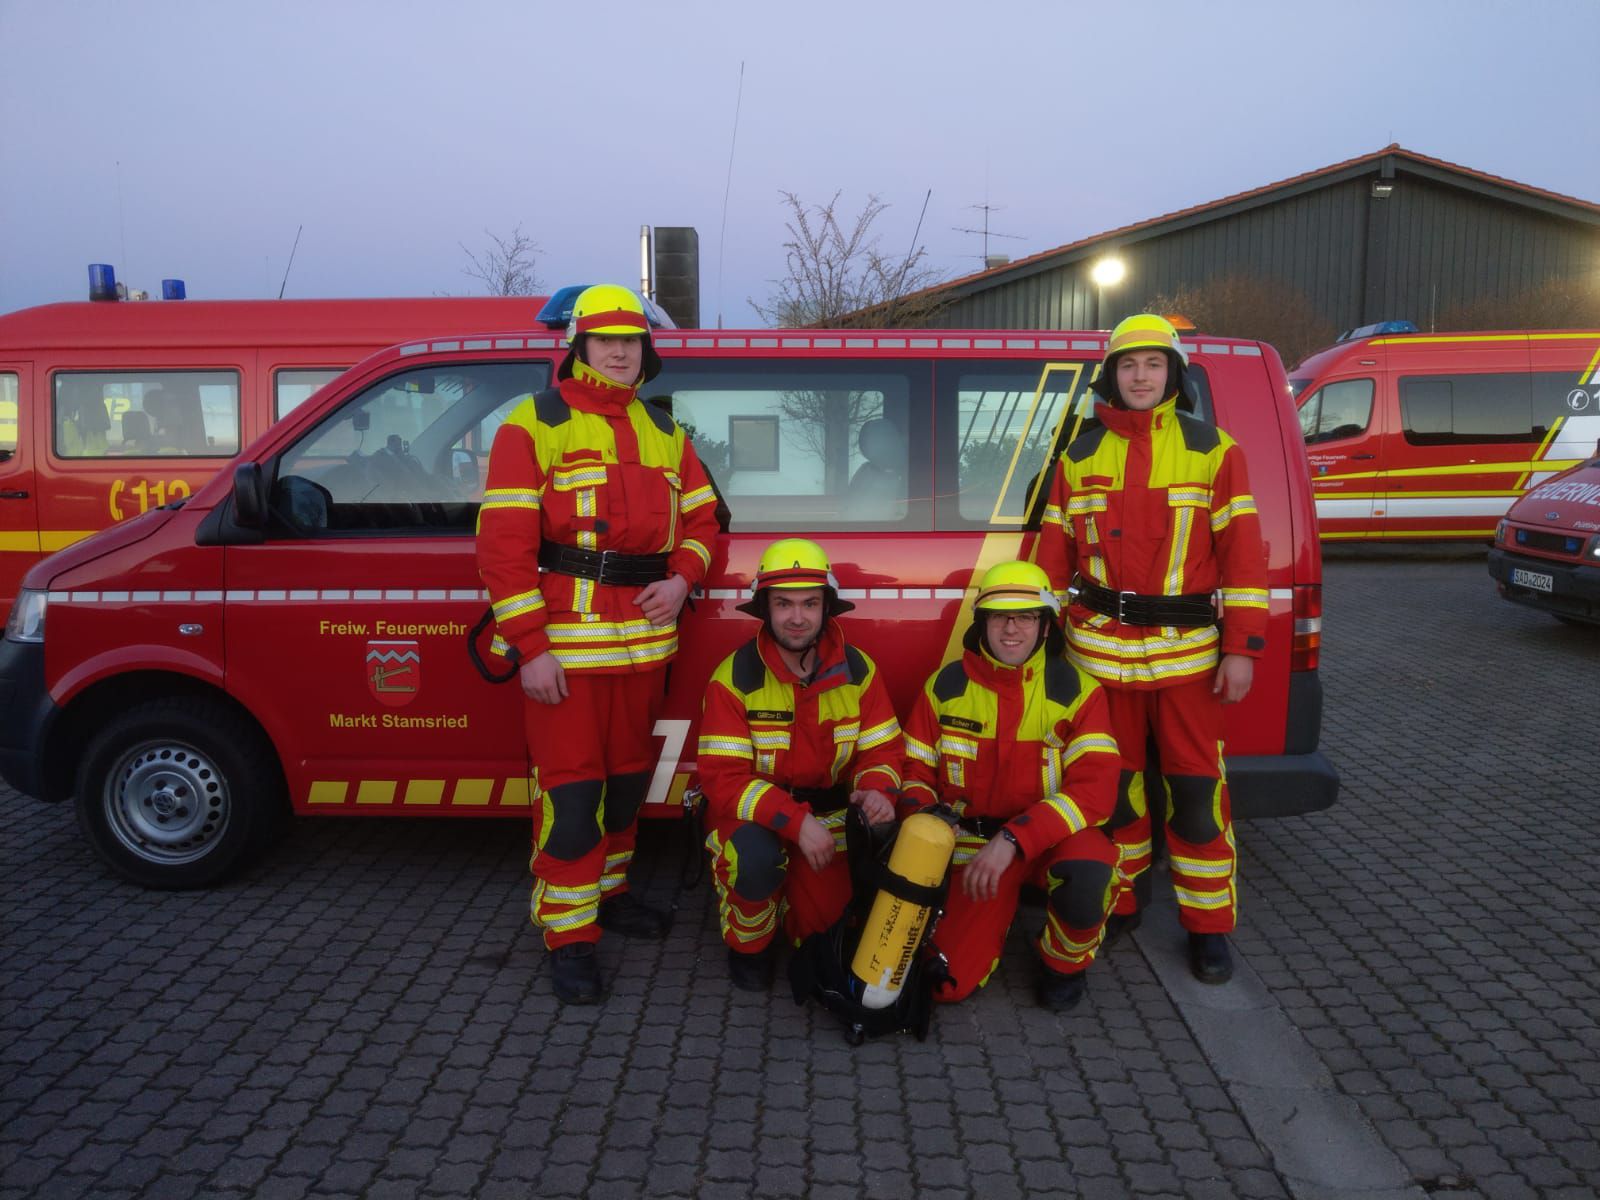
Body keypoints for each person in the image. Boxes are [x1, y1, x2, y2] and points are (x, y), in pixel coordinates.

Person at [475, 283, 721, 1004]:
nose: (619, 352)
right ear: (577, 346)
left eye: (632, 340)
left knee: (623, 790)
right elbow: (502, 549)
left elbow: (706, 526)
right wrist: (530, 647)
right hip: (567, 655)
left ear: (648, 349)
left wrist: (681, 583)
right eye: (605, 340)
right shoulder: (533, 425)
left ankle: (609, 898)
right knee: (573, 798)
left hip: (644, 651)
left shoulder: (666, 433)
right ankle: (568, 937)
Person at [1036, 313, 1267, 984]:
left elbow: (1244, 558)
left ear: (1174, 374)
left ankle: (1209, 926)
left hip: (1189, 657)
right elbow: (1053, 556)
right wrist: (1047, 645)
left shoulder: (1216, 450)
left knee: (1196, 795)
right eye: (1129, 365)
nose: (1141, 377)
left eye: (1154, 365)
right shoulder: (1078, 455)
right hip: (1099, 658)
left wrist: (1243, 648)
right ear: (1112, 374)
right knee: (1115, 793)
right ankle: (1121, 899)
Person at [899, 560, 1122, 1011]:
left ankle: (1062, 964)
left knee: (1091, 871)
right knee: (946, 984)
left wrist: (1013, 839)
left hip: (1043, 844)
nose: (1011, 630)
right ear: (982, 623)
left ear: (1045, 627)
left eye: (1026, 617)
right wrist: (932, 829)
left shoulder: (1078, 692)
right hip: (968, 850)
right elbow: (913, 775)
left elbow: (1094, 792)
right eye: (1000, 617)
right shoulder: (944, 687)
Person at [697, 538, 903, 992]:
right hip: (753, 821)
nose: (797, 616)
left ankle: (790, 904)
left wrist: (877, 790)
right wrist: (795, 823)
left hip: (826, 820)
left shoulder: (860, 671)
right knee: (753, 862)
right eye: (783, 603)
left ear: (826, 607)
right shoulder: (734, 679)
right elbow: (724, 780)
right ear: (765, 609)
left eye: (810, 603)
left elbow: (883, 753)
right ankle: (748, 946)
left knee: (823, 933)